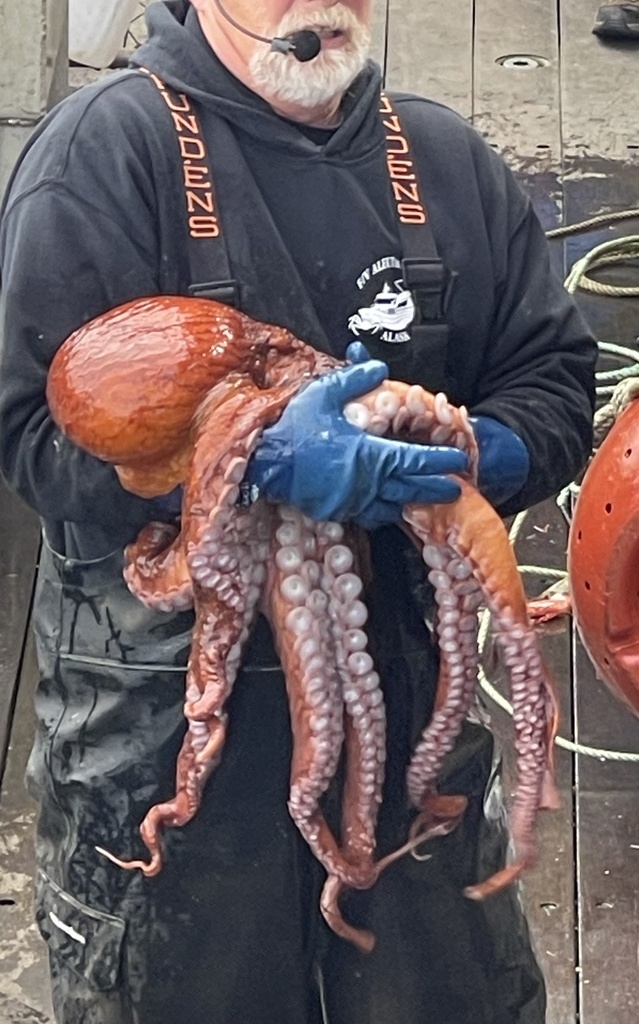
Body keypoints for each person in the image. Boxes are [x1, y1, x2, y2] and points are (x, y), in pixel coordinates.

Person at [0, 2, 597, 1022]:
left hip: (409, 731)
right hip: (158, 737)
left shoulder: (446, 160)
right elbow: (30, 430)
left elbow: (553, 383)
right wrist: (247, 468)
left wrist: (464, 454)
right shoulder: (107, 156)